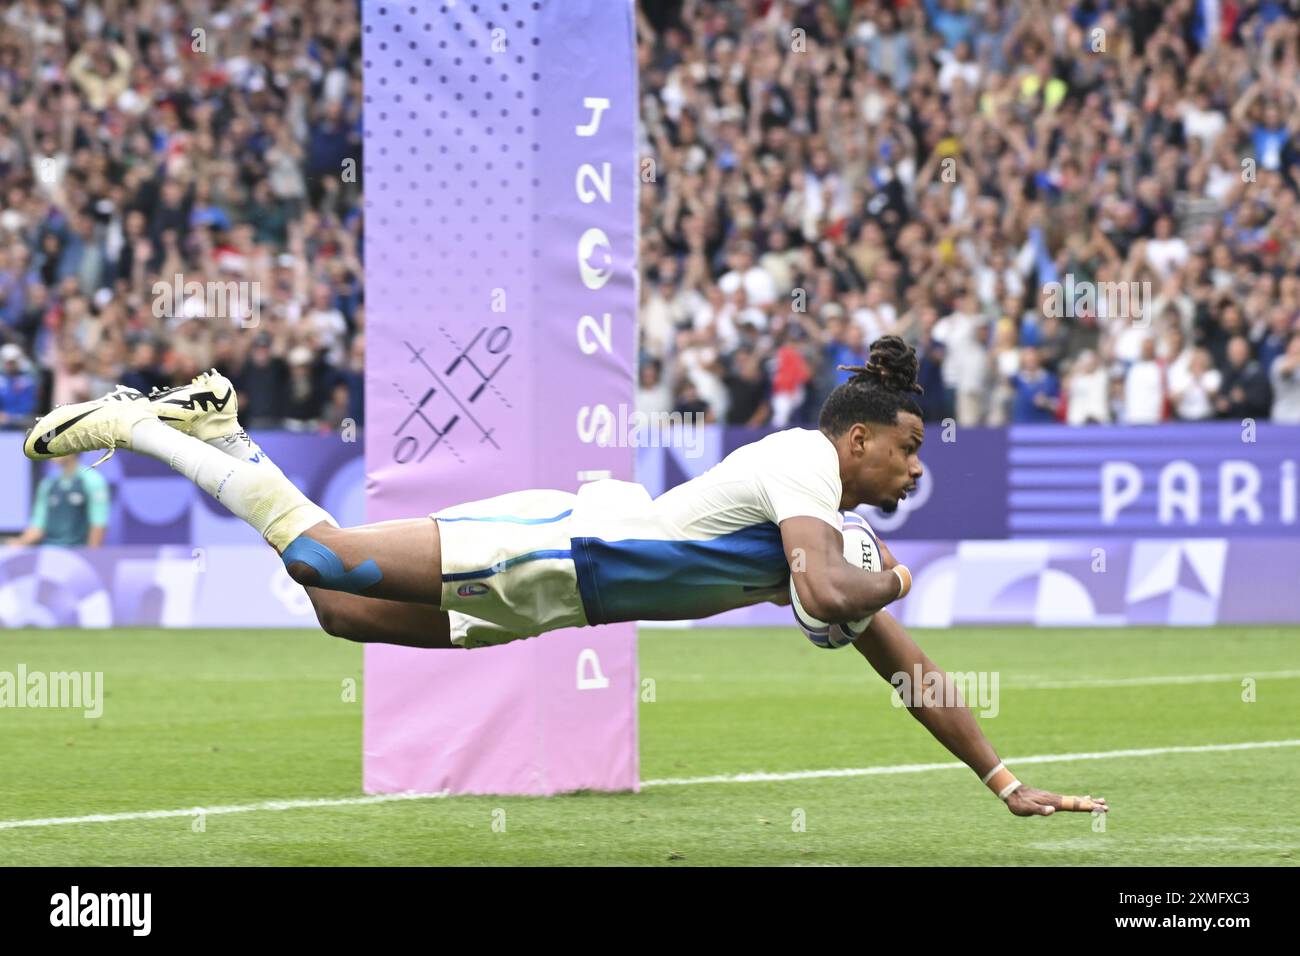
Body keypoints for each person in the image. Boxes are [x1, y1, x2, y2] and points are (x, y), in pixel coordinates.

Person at [22, 338, 1107, 819]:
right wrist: (886, 580)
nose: (916, 468)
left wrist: (1002, 780)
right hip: (560, 544)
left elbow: (900, 668)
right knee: (322, 556)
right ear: (860, 438)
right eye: (909, 446)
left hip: (552, 601)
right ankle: (138, 422)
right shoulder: (804, 467)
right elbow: (833, 596)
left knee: (339, 609)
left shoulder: (831, 537)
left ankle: (223, 437)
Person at [6, 454, 110, 548]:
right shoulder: (48, 483)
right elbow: (38, 526)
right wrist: (19, 543)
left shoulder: (92, 481)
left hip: (78, 554)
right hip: (50, 554)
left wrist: (91, 557)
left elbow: (98, 524)